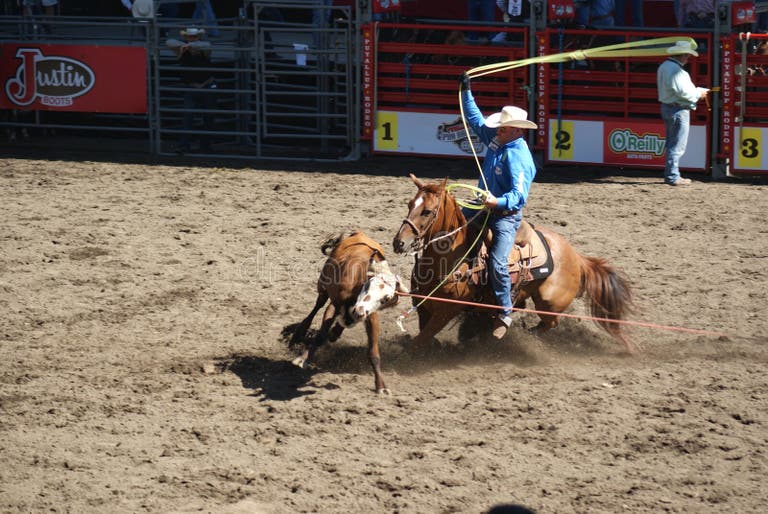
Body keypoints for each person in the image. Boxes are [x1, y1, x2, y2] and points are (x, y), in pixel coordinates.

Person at [459, 72, 538, 339]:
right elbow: (474, 120)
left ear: (517, 130)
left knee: (498, 263)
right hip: (481, 205)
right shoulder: (498, 139)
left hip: (505, 216)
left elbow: (519, 196)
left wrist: (496, 201)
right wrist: (466, 91)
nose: (497, 130)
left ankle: (505, 311)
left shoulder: (519, 157)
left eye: (503, 127)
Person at [657, 40, 709, 186]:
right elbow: (683, 92)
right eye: (687, 55)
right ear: (681, 55)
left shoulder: (664, 66)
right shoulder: (676, 70)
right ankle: (673, 176)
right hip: (678, 108)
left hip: (668, 106)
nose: (688, 58)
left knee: (672, 142)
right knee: (677, 144)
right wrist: (699, 93)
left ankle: (671, 174)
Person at [166, 27, 217, 153]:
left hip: (205, 86)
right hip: (193, 87)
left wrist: (189, 46)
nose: (192, 39)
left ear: (198, 37)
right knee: (188, 117)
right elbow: (168, 42)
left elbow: (206, 45)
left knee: (208, 117)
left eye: (194, 37)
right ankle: (185, 145)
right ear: (186, 37)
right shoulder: (181, 49)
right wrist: (186, 46)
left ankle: (205, 146)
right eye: (190, 37)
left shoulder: (204, 48)